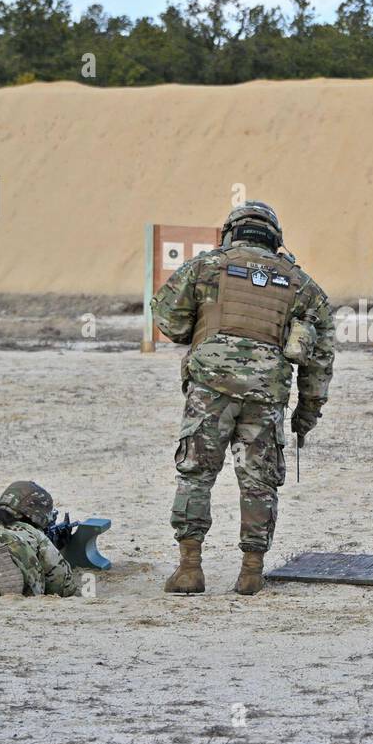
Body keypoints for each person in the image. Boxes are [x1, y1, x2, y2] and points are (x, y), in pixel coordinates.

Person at [150, 201, 335, 595]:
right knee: (258, 483)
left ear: (231, 232)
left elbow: (169, 320)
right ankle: (251, 571)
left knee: (196, 475)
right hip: (267, 395)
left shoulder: (205, 267)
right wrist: (307, 414)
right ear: (275, 237)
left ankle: (189, 569)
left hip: (210, 389)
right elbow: (319, 359)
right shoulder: (302, 285)